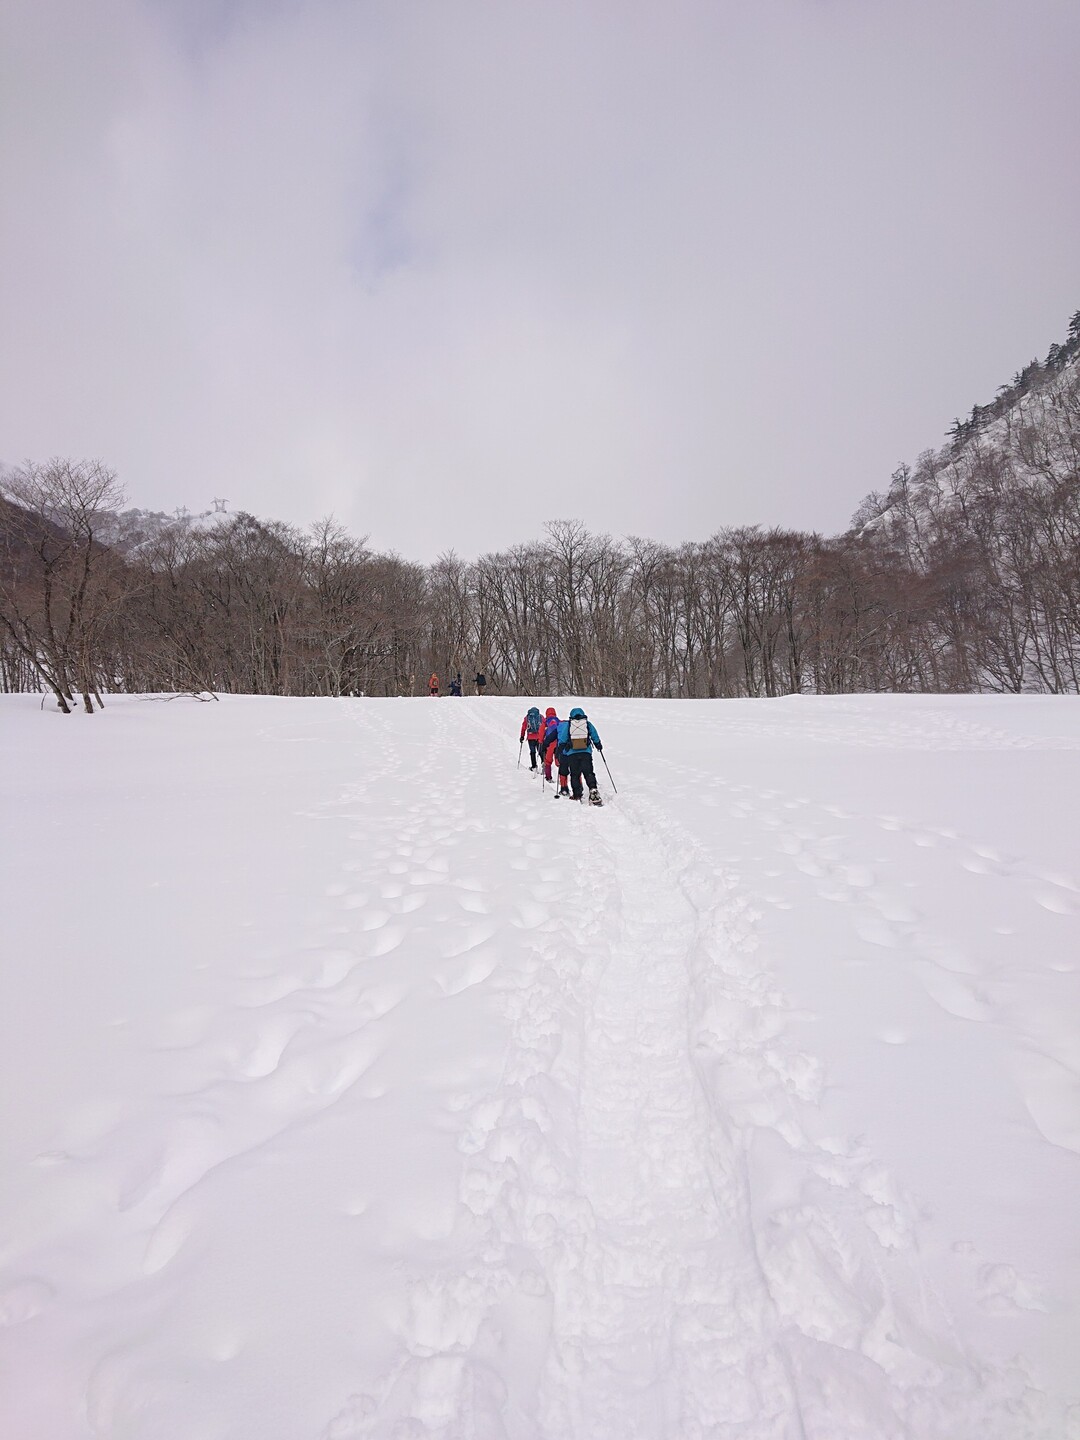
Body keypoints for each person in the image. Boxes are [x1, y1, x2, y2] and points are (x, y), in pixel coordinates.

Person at [555, 706, 604, 805]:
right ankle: (593, 789)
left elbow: (563, 738)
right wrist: (598, 744)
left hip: (572, 754)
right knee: (589, 772)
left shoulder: (569, 725)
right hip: (586, 753)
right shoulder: (587, 724)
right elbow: (594, 734)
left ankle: (577, 794)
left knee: (575, 774)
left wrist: (559, 750)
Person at [539, 707, 570, 797]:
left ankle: (548, 777)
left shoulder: (545, 722)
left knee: (548, 761)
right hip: (558, 743)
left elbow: (541, 733)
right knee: (559, 762)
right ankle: (562, 781)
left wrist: (541, 743)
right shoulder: (559, 721)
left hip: (549, 744)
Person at [519, 705, 543, 770]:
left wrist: (522, 736)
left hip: (530, 737)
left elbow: (523, 727)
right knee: (540, 751)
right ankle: (544, 764)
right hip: (539, 737)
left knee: (532, 752)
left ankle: (534, 766)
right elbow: (544, 726)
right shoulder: (541, 717)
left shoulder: (527, 718)